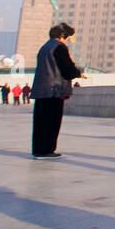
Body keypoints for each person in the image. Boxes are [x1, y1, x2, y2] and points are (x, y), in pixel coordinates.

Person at [30, 23, 84, 159]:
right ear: (62, 36)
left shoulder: (44, 47)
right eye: (67, 37)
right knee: (51, 122)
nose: (67, 41)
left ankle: (38, 149)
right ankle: (47, 150)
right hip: (54, 89)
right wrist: (77, 73)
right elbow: (66, 68)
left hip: (42, 90)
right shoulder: (59, 47)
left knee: (40, 122)